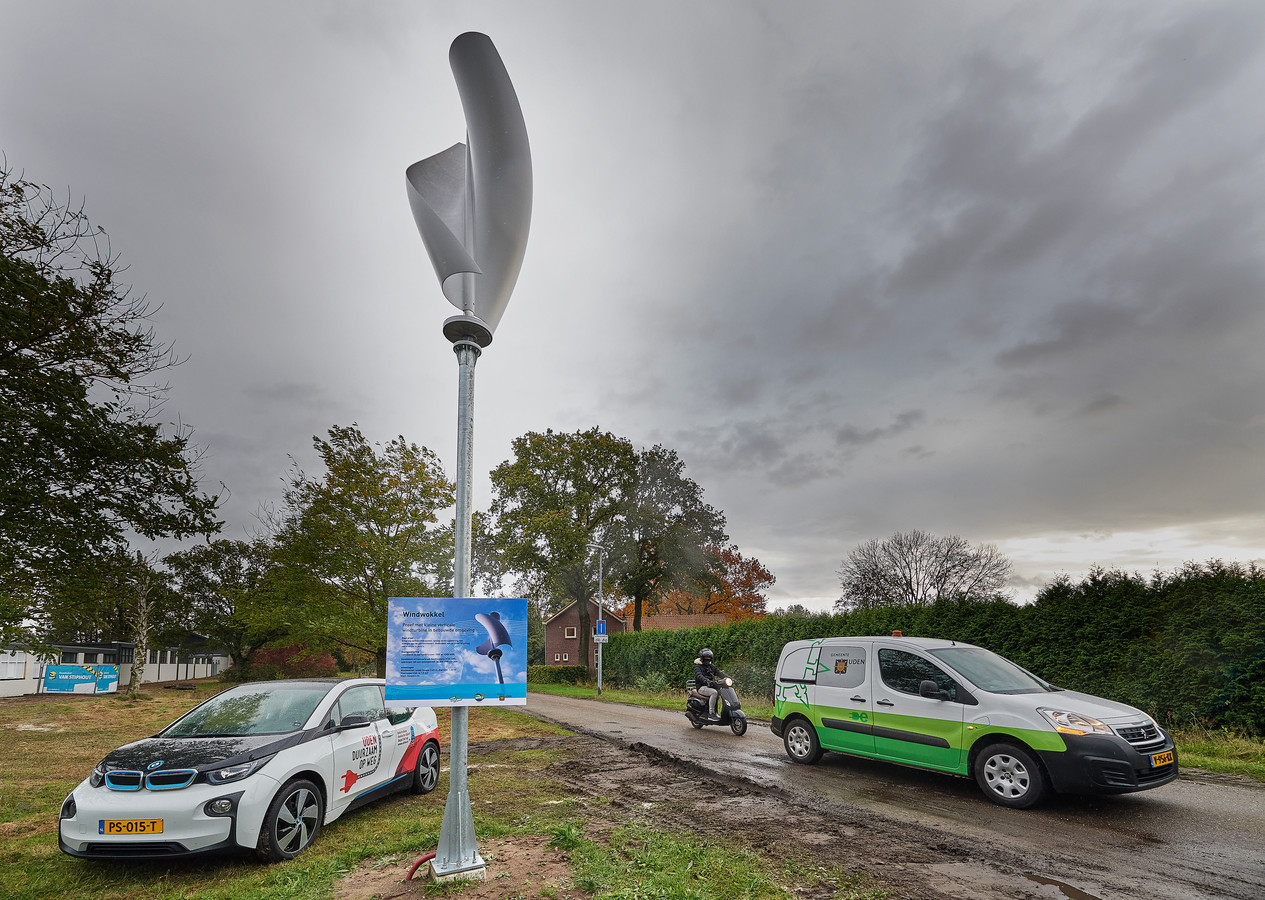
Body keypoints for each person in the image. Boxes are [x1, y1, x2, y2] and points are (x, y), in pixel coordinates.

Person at [693, 648, 730, 721]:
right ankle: (711, 714)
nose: (708, 659)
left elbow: (720, 673)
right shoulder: (698, 667)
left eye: (709, 658)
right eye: (706, 658)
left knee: (722, 692)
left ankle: (720, 712)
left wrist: (731, 679)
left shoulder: (711, 666)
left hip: (710, 685)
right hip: (701, 687)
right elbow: (699, 676)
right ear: (702, 658)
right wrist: (706, 681)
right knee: (714, 692)